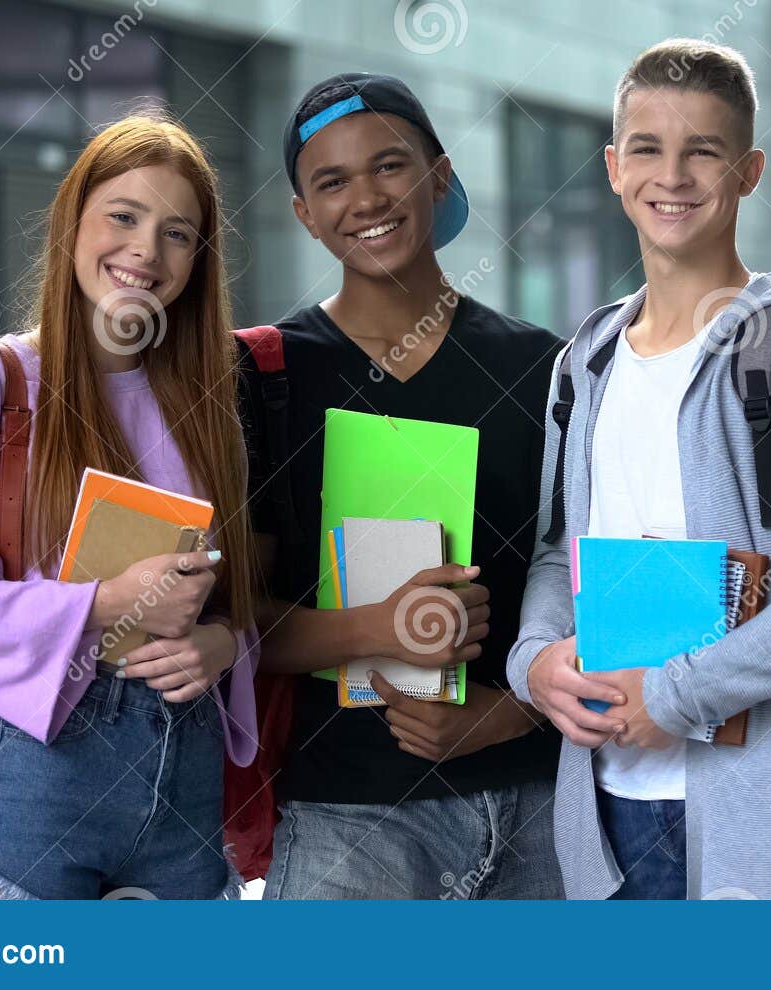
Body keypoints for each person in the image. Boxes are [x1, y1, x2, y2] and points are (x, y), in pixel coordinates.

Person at [509, 39, 771, 900]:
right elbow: (555, 551)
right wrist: (533, 662)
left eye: (704, 152)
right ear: (614, 168)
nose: (672, 174)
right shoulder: (586, 360)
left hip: (768, 814)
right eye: (647, 148)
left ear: (749, 171)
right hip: (606, 812)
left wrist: (681, 695)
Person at [0, 112, 260, 899]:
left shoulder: (208, 405)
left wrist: (223, 646)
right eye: (123, 217)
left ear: (198, 259)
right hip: (38, 779)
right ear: (73, 221)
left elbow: (232, 597)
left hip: (184, 790)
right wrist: (109, 603)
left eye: (177, 233)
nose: (145, 252)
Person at [250, 73, 565, 900]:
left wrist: (512, 709)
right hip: (346, 817)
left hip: (539, 805)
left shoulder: (544, 368)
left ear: (440, 175)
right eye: (332, 182)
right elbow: (236, 625)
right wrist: (380, 627)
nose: (366, 198)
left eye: (390, 166)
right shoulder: (264, 377)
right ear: (303, 215)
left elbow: (588, 577)